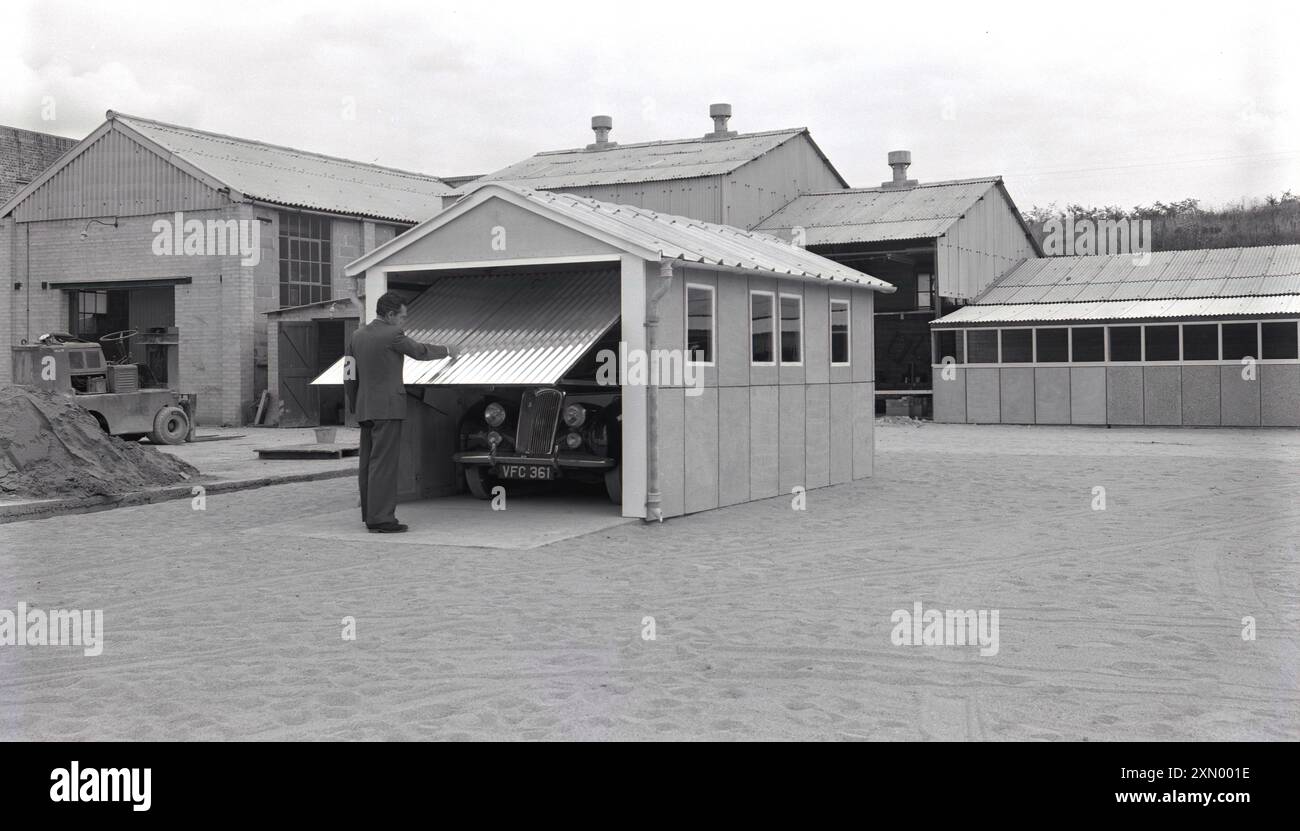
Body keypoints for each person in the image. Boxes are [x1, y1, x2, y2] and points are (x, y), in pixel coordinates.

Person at [344, 292, 457, 533]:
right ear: (390, 314)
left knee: (368, 464)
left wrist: (356, 406)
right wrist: (447, 349)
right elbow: (420, 351)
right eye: (402, 317)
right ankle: (382, 519)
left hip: (366, 409)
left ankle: (370, 515)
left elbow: (349, 375)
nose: (403, 322)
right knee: (384, 465)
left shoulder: (356, 336)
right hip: (387, 408)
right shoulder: (392, 334)